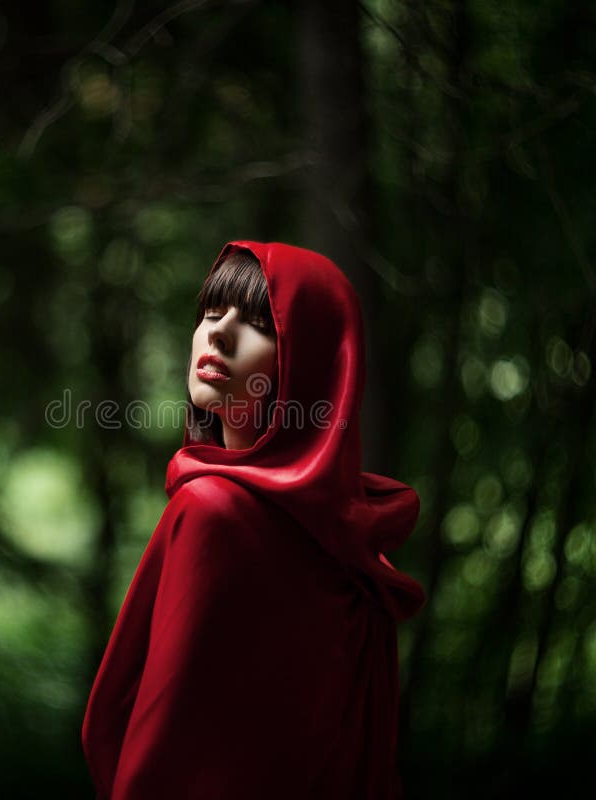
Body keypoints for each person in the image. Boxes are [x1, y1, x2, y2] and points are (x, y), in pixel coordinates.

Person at [81, 240, 427, 799]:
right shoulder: (359, 548)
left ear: (310, 367)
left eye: (260, 324)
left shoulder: (213, 511)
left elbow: (156, 761)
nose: (218, 333)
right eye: (212, 313)